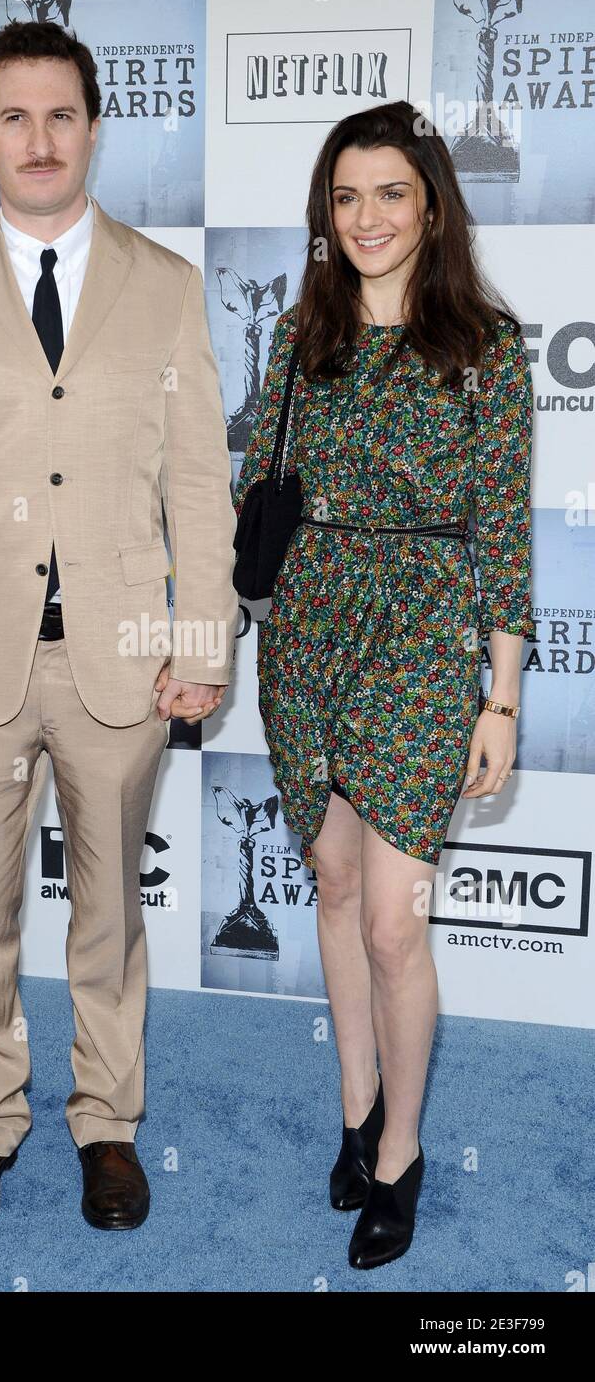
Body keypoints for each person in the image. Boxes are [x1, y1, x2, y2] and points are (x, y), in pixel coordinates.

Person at [0, 20, 237, 1232]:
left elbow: (197, 486)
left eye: (61, 115)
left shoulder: (166, 286)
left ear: (93, 127)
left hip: (122, 657)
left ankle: (108, 1123)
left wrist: (201, 642)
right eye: (15, 117)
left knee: (108, 909)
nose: (39, 139)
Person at [232, 100, 534, 1269]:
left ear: (434, 205)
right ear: (327, 214)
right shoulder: (299, 342)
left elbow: (503, 534)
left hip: (418, 645)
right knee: (335, 883)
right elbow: (261, 487)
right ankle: (355, 1109)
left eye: (390, 194)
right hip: (305, 639)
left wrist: (499, 697)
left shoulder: (488, 352)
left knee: (397, 925)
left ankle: (402, 1152)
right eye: (346, 198)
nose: (366, 218)